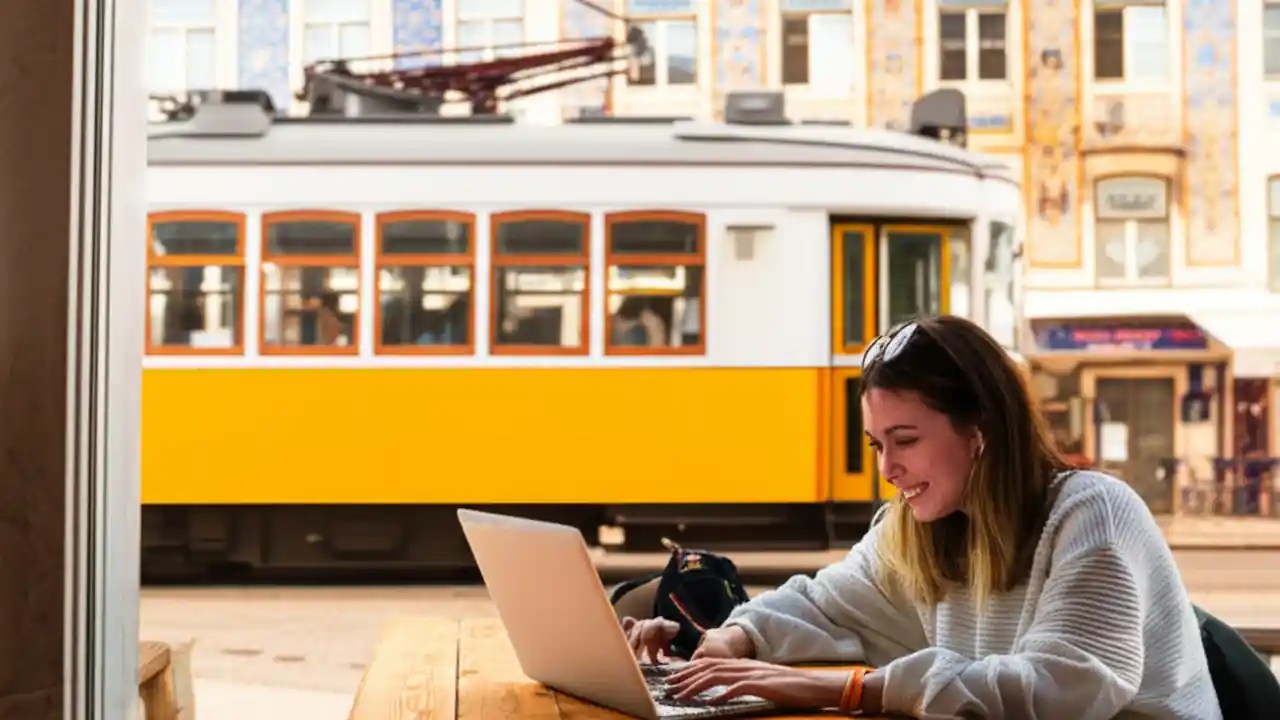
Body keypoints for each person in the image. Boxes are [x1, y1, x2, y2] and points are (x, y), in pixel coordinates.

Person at [622, 315, 1221, 718]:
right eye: (876, 445)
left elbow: (1061, 687)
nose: (888, 468)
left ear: (980, 429)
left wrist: (853, 689)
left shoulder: (1094, 513)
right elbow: (824, 603)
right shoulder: (916, 527)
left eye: (904, 440)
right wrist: (732, 638)